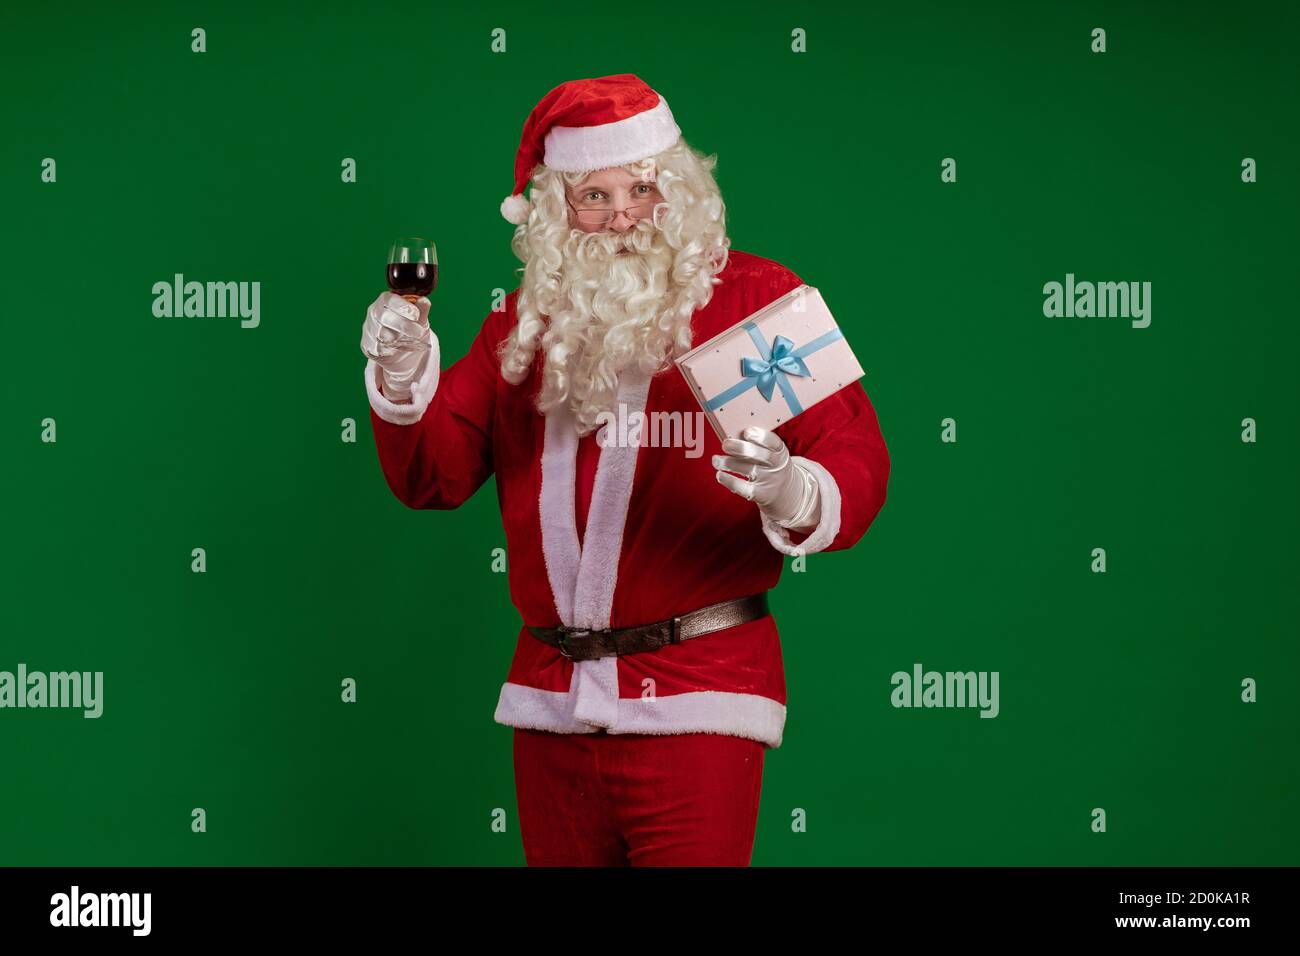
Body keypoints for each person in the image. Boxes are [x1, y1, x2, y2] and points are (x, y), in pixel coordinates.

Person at [359, 73, 890, 866]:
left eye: (641, 189)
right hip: (551, 702)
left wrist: (790, 486)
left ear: (677, 192)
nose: (622, 218)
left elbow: (857, 454)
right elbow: (435, 475)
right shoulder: (523, 325)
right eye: (593, 197)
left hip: (698, 697)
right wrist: (403, 378)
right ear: (558, 215)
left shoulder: (753, 300)